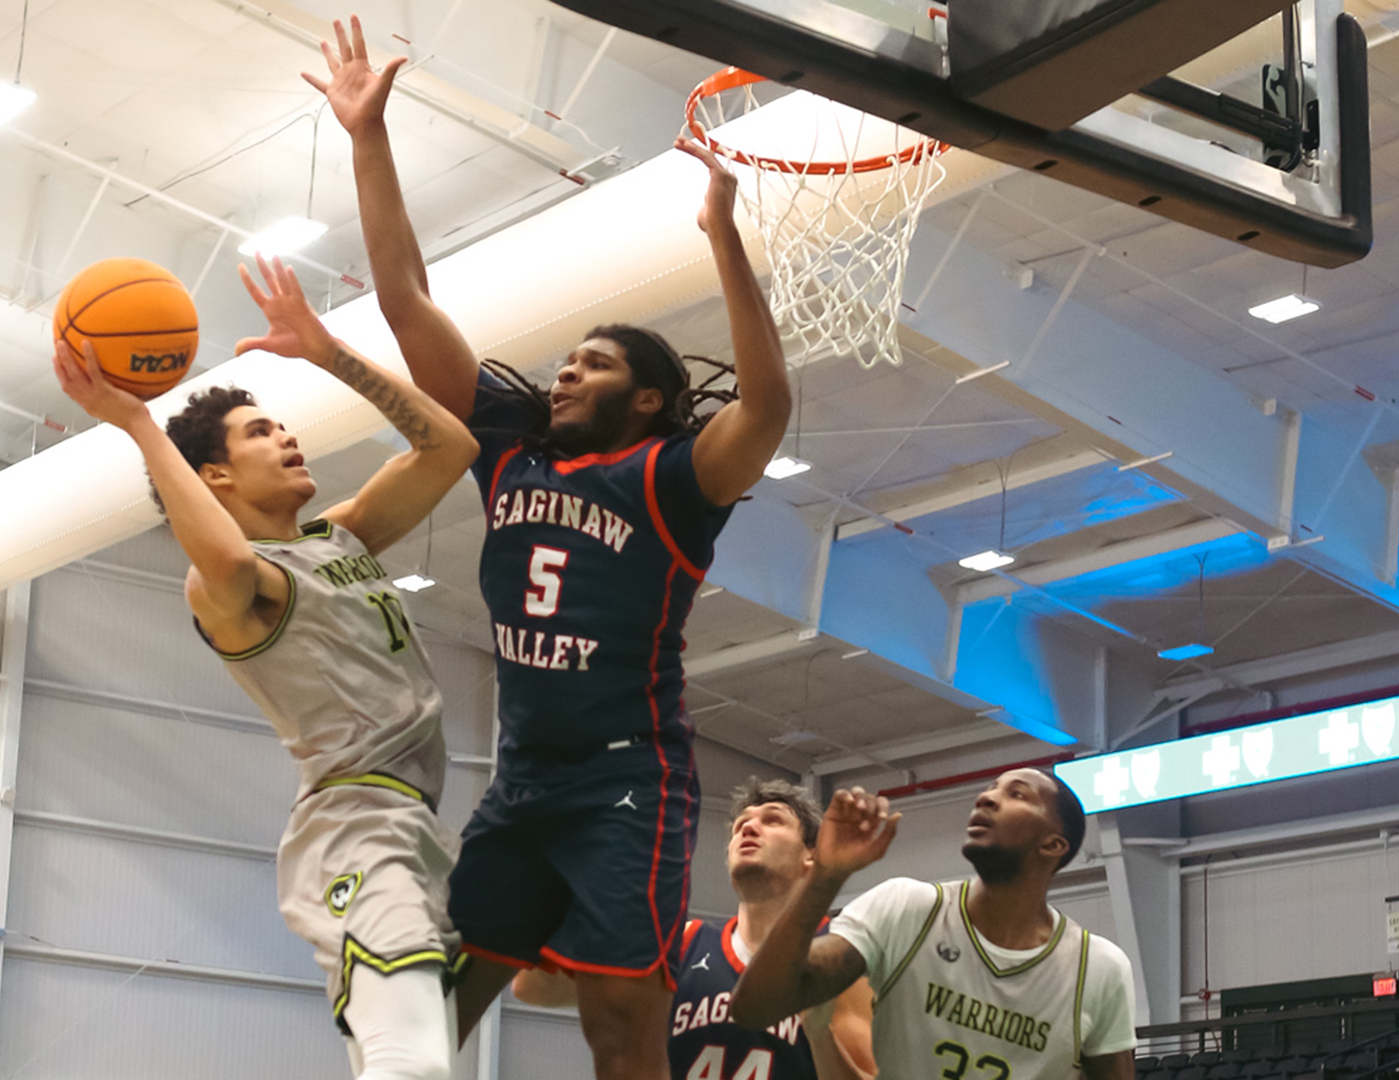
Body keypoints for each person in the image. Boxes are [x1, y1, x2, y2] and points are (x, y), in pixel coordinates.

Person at [308, 16, 794, 1080]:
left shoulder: (673, 478)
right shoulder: (508, 450)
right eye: (565, 362)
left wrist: (722, 235)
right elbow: (405, 301)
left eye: (594, 364)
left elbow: (766, 404)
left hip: (630, 776)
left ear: (651, 397)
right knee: (441, 999)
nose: (565, 374)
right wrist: (366, 137)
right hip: (524, 776)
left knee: (619, 1023)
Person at [52, 255, 478, 1080]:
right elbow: (222, 557)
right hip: (357, 825)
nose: (286, 435)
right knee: (413, 1063)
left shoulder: (339, 538)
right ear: (215, 476)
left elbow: (450, 444)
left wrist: (325, 351)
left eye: (281, 425)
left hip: (409, 822)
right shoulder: (236, 585)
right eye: (259, 432)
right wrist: (138, 424)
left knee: (404, 1059)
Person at [733, 769, 1138, 1080]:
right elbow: (755, 1008)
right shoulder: (906, 907)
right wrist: (825, 877)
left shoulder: (1098, 967)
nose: (987, 797)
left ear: (1053, 845)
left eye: (1016, 794)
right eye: (991, 788)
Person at [511, 778, 877, 1080]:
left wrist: (817, 1032)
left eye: (773, 820)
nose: (749, 827)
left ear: (811, 854)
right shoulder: (680, 943)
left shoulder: (840, 954)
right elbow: (533, 987)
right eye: (740, 825)